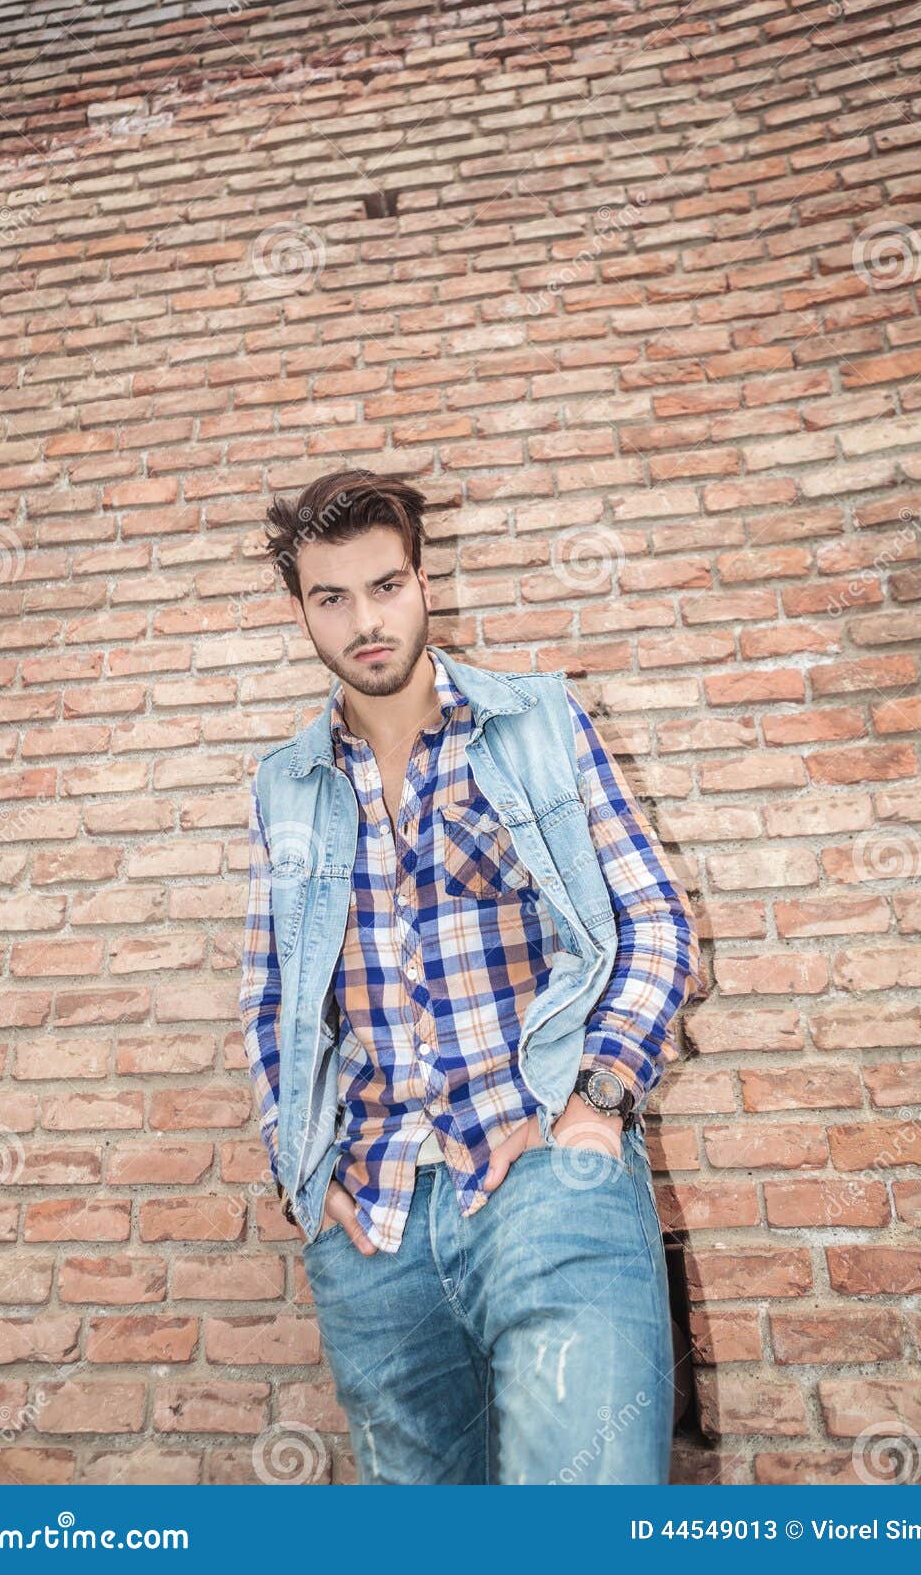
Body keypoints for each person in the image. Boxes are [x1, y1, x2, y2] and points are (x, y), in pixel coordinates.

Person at [239, 468, 701, 1484]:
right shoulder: (284, 786)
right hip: (373, 1228)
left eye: (385, 586)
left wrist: (596, 1102)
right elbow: (270, 998)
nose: (365, 621)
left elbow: (653, 923)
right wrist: (303, 1176)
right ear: (300, 610)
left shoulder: (535, 721)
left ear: (423, 583)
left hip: (547, 1170)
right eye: (331, 597)